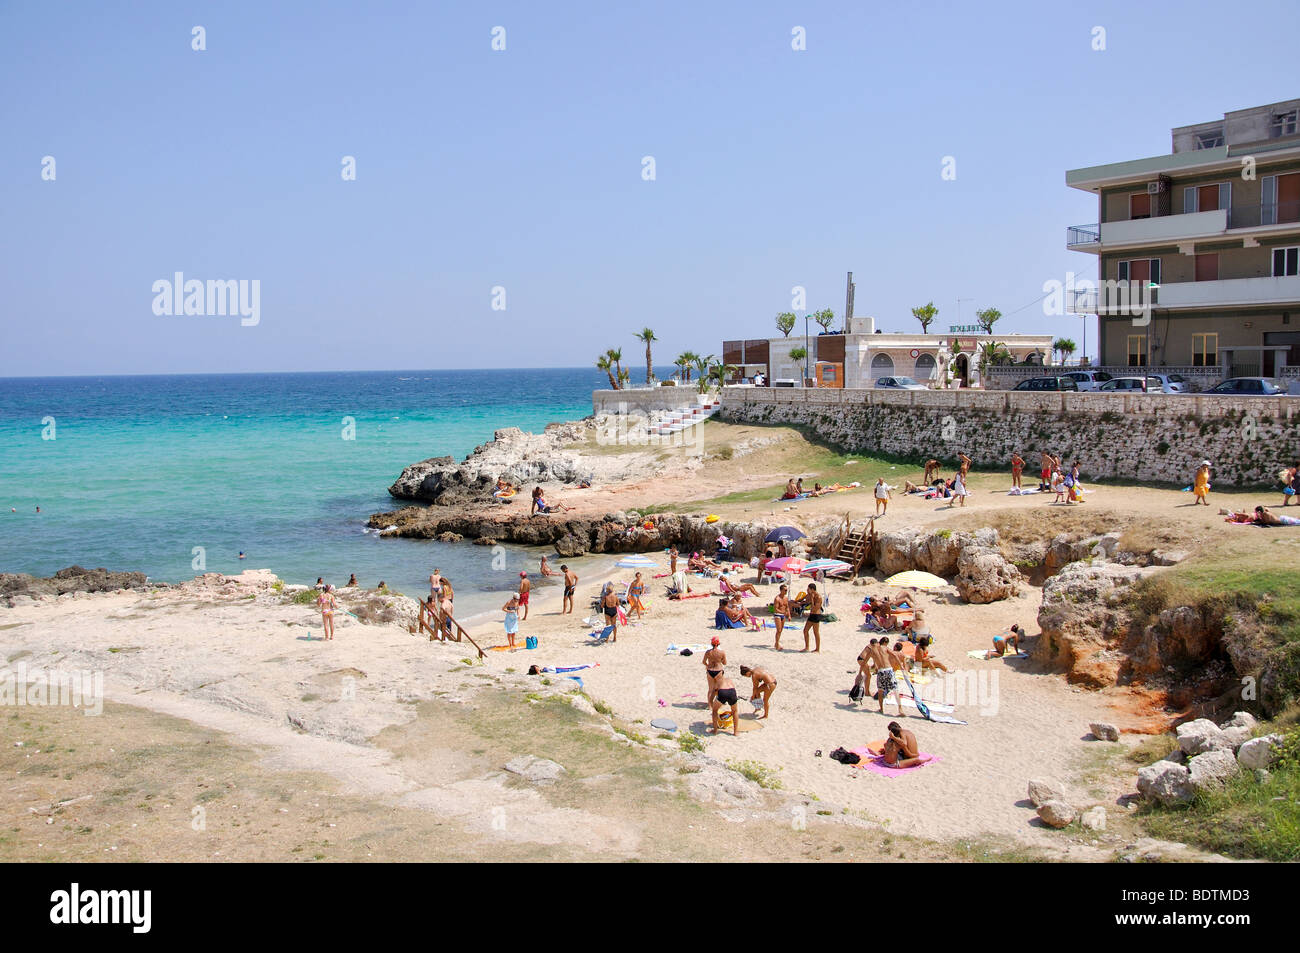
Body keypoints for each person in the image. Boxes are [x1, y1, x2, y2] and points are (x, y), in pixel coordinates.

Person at [868, 639, 902, 715]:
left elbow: (866, 661)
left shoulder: (872, 651)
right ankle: (900, 709)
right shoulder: (885, 647)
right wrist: (901, 666)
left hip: (881, 672)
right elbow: (895, 655)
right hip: (889, 670)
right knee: (895, 689)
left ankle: (881, 709)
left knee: (880, 691)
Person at [703, 637, 726, 706]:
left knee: (710, 689)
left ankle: (710, 705)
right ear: (718, 644)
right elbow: (724, 663)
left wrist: (707, 665)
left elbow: (704, 662)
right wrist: (719, 660)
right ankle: (719, 704)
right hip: (718, 670)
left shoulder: (708, 652)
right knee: (719, 688)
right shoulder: (722, 652)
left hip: (710, 671)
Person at [802, 582, 824, 652]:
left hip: (816, 615)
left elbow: (814, 608)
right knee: (805, 630)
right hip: (811, 615)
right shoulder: (811, 595)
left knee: (816, 632)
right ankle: (807, 647)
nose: (807, 590)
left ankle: (817, 649)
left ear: (812, 589)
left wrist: (811, 598)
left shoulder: (818, 597)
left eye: (808, 589)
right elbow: (805, 600)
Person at [772, 584, 790, 650]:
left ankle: (776, 643)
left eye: (786, 590)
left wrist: (789, 615)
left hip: (783, 615)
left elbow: (787, 607)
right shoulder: (777, 599)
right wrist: (783, 612)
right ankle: (777, 644)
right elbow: (775, 609)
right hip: (777, 615)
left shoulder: (786, 598)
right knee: (779, 630)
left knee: (781, 630)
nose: (786, 591)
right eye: (785, 590)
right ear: (781, 590)